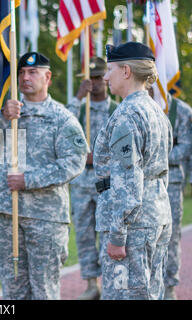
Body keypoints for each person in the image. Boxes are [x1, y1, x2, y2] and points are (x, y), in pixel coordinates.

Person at [0, 52, 88, 299]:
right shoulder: (7, 115)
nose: (25, 77)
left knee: (44, 291)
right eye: (21, 73)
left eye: (32, 72)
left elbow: (75, 162)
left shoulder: (62, 118)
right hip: (9, 215)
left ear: (48, 77)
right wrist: (0, 119)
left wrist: (28, 180)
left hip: (46, 219)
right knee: (13, 293)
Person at [93, 42, 173, 300]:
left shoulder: (128, 114)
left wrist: (118, 233)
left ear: (126, 71)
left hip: (133, 227)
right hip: (156, 214)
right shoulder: (155, 110)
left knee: (124, 295)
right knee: (150, 293)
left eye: (110, 69)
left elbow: (127, 179)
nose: (105, 76)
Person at [66, 57, 117, 300]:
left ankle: (108, 284)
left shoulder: (116, 109)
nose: (94, 83)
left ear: (106, 80)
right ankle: (90, 284)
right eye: (91, 78)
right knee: (84, 235)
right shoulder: (79, 109)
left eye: (98, 78)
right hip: (80, 184)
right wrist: (78, 97)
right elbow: (63, 128)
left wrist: (97, 158)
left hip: (107, 184)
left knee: (108, 234)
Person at [163, 94, 192, 299]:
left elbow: (186, 147)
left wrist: (157, 157)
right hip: (142, 183)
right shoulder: (136, 106)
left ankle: (169, 287)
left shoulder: (181, 111)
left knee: (171, 236)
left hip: (171, 181)